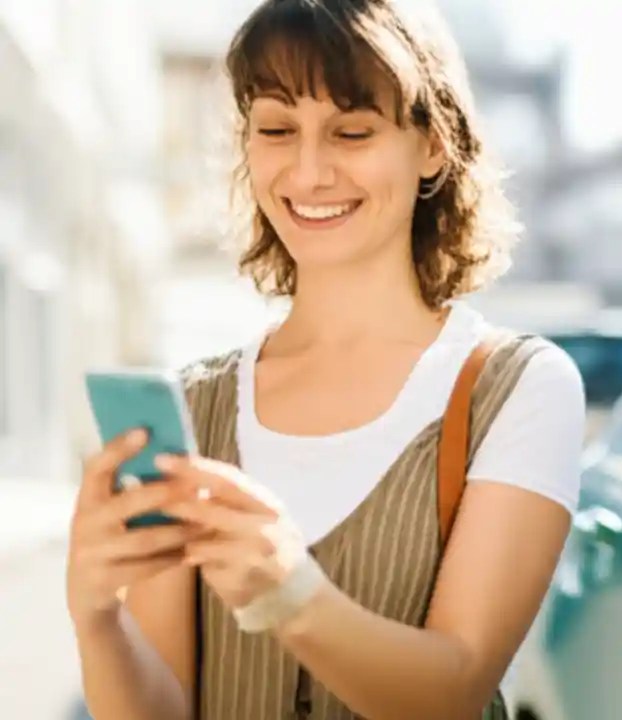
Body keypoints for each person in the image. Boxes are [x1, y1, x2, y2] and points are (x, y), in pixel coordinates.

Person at [65, 1, 585, 717]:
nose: (309, 173)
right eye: (277, 130)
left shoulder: (518, 389)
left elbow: (455, 687)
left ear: (433, 145)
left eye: (353, 131)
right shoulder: (194, 405)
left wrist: (294, 595)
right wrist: (96, 618)